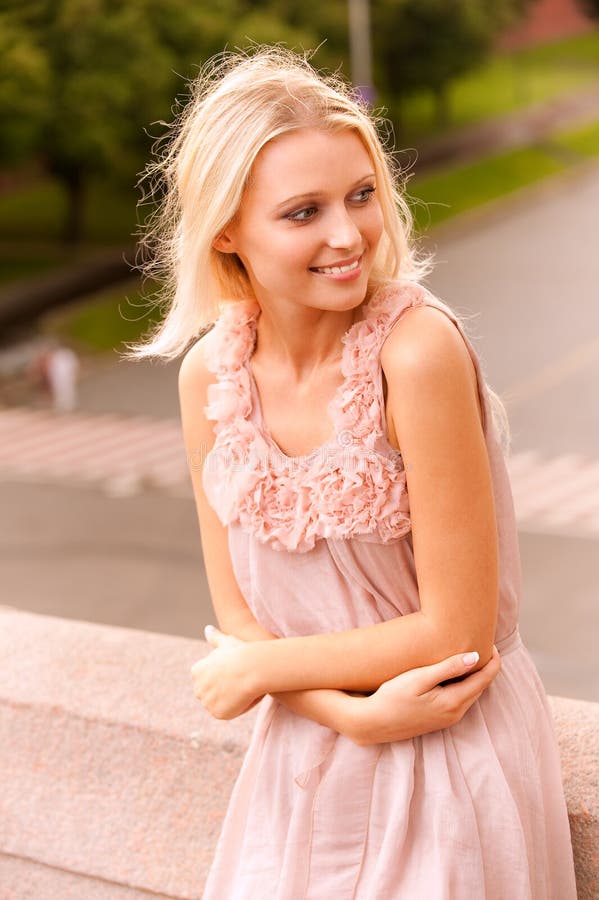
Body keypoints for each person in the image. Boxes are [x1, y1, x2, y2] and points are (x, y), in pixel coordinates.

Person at [125, 47, 577, 899]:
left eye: (361, 194)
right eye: (303, 211)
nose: (348, 235)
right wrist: (351, 715)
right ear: (226, 231)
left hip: (452, 746)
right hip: (307, 756)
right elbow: (243, 620)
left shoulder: (416, 352)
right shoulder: (208, 382)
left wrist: (263, 676)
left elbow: (455, 632)